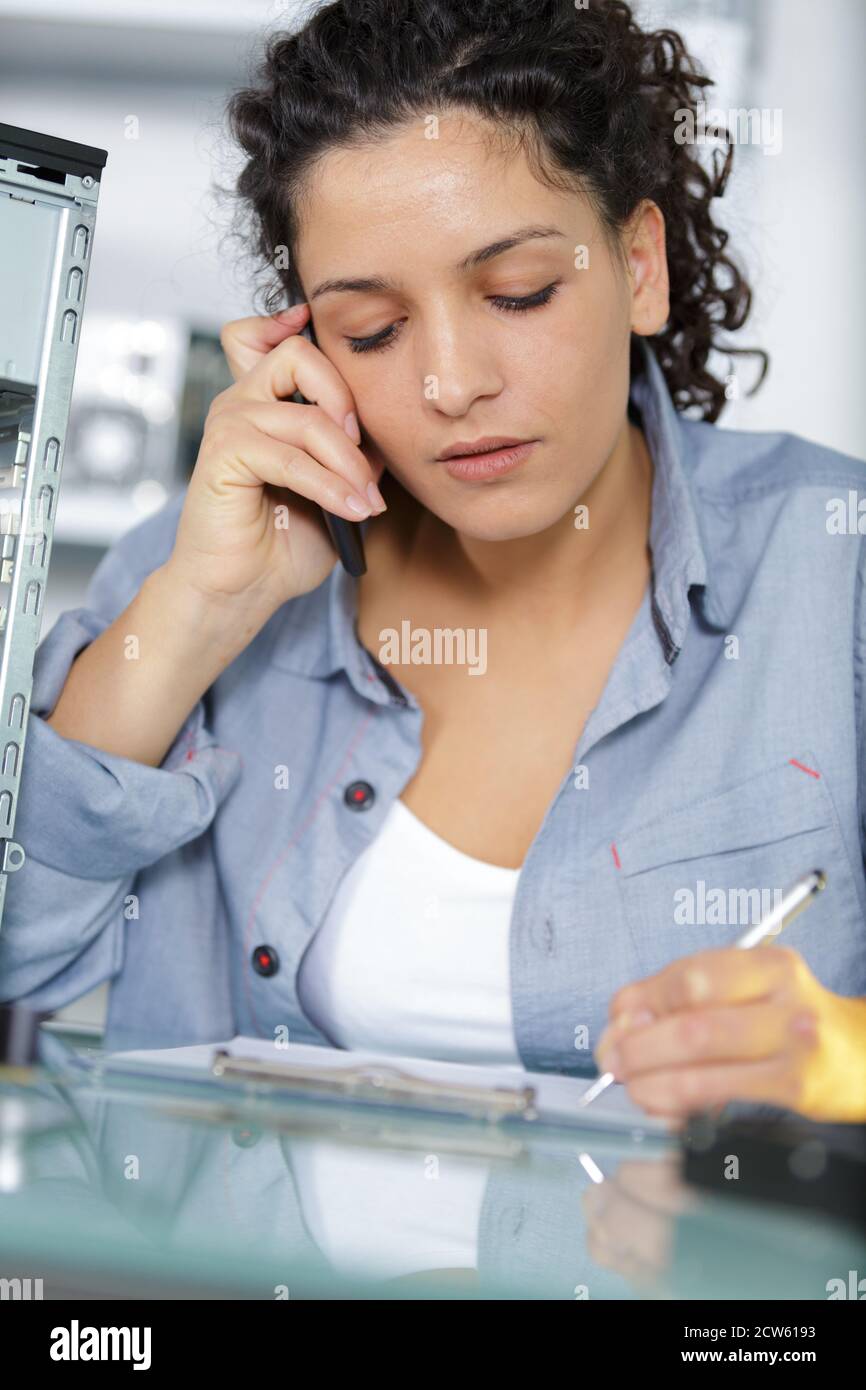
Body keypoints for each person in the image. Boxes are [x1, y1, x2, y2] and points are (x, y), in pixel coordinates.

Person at [2, 0, 864, 1125]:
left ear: (637, 264)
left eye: (517, 294)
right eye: (371, 330)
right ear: (305, 343)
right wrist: (198, 611)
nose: (450, 383)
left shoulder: (830, 566)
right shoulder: (196, 573)